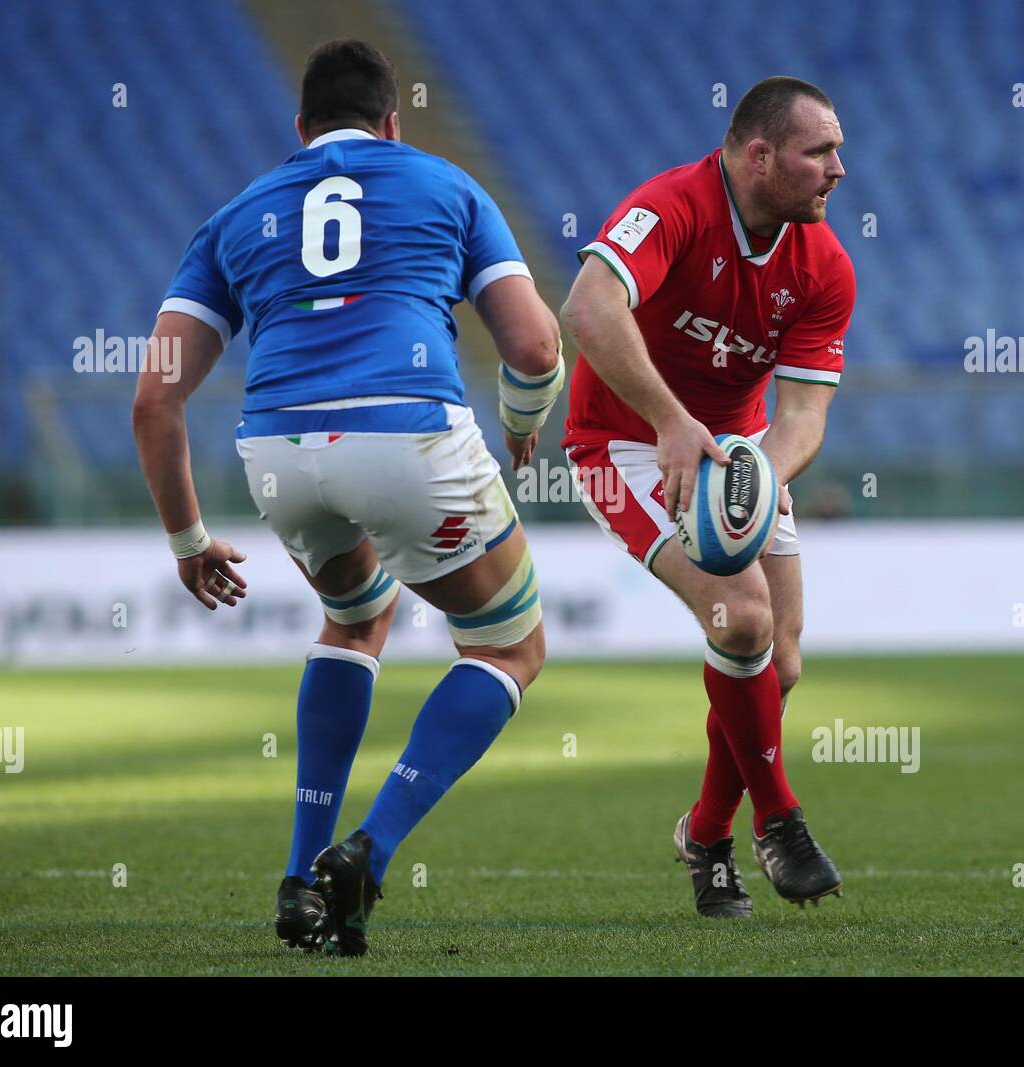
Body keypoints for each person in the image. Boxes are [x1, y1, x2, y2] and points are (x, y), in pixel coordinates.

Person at [132, 39, 562, 955]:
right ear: (392, 122)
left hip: (280, 452)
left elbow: (154, 398)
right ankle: (370, 847)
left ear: (301, 130)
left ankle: (298, 877)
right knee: (509, 645)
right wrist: (523, 424)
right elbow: (533, 347)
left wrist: (187, 540)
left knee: (357, 616)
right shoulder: (446, 185)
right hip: (407, 434)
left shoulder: (237, 214)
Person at [560, 76, 853, 918]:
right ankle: (780, 820)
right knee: (745, 619)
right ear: (760, 156)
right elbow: (588, 303)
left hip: (735, 457)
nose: (840, 168)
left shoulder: (825, 266)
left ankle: (704, 832)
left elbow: (803, 416)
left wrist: (764, 472)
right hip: (626, 443)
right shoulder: (673, 206)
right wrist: (670, 420)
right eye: (821, 152)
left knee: (780, 661)